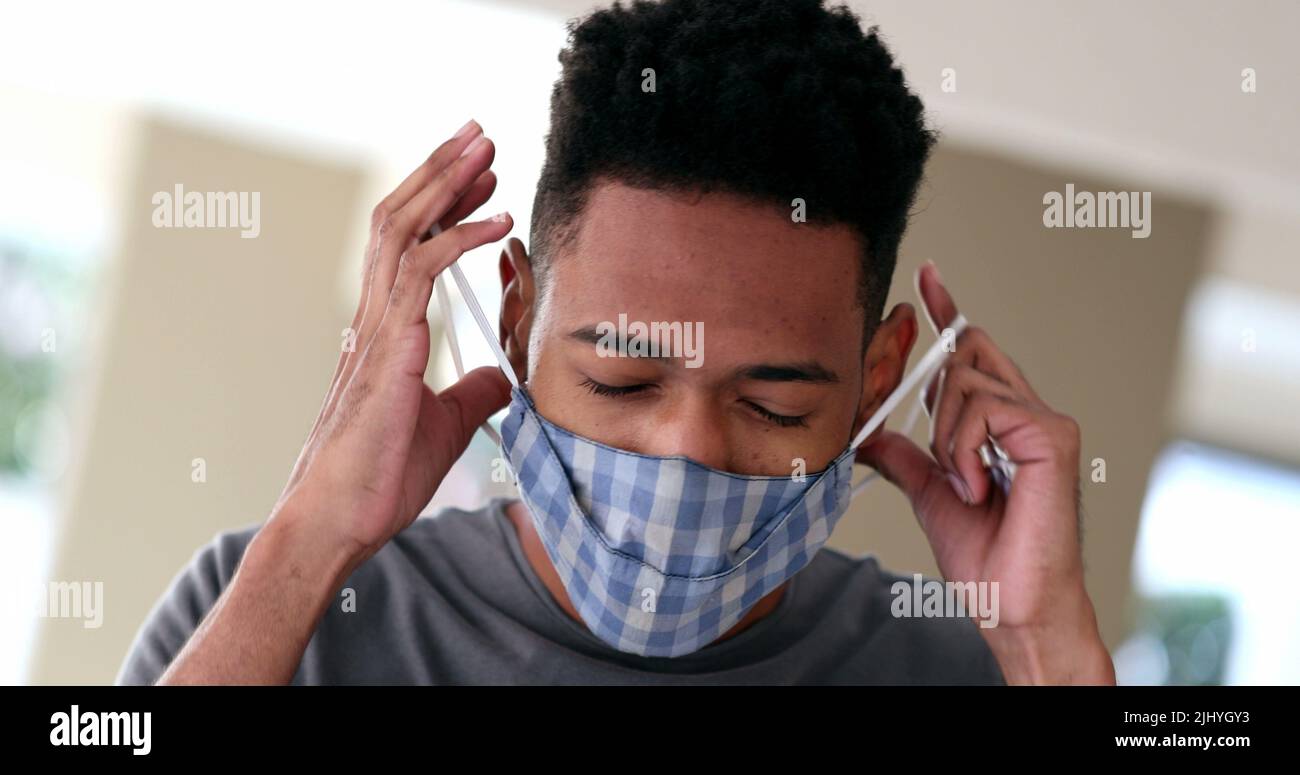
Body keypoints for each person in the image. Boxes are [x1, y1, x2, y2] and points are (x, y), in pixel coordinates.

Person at [118, 0, 1113, 685]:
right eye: (621, 377)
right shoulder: (271, 612)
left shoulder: (961, 669)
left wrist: (1046, 650)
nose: (687, 452)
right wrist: (306, 544)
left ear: (876, 381)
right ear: (516, 320)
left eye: (775, 405)